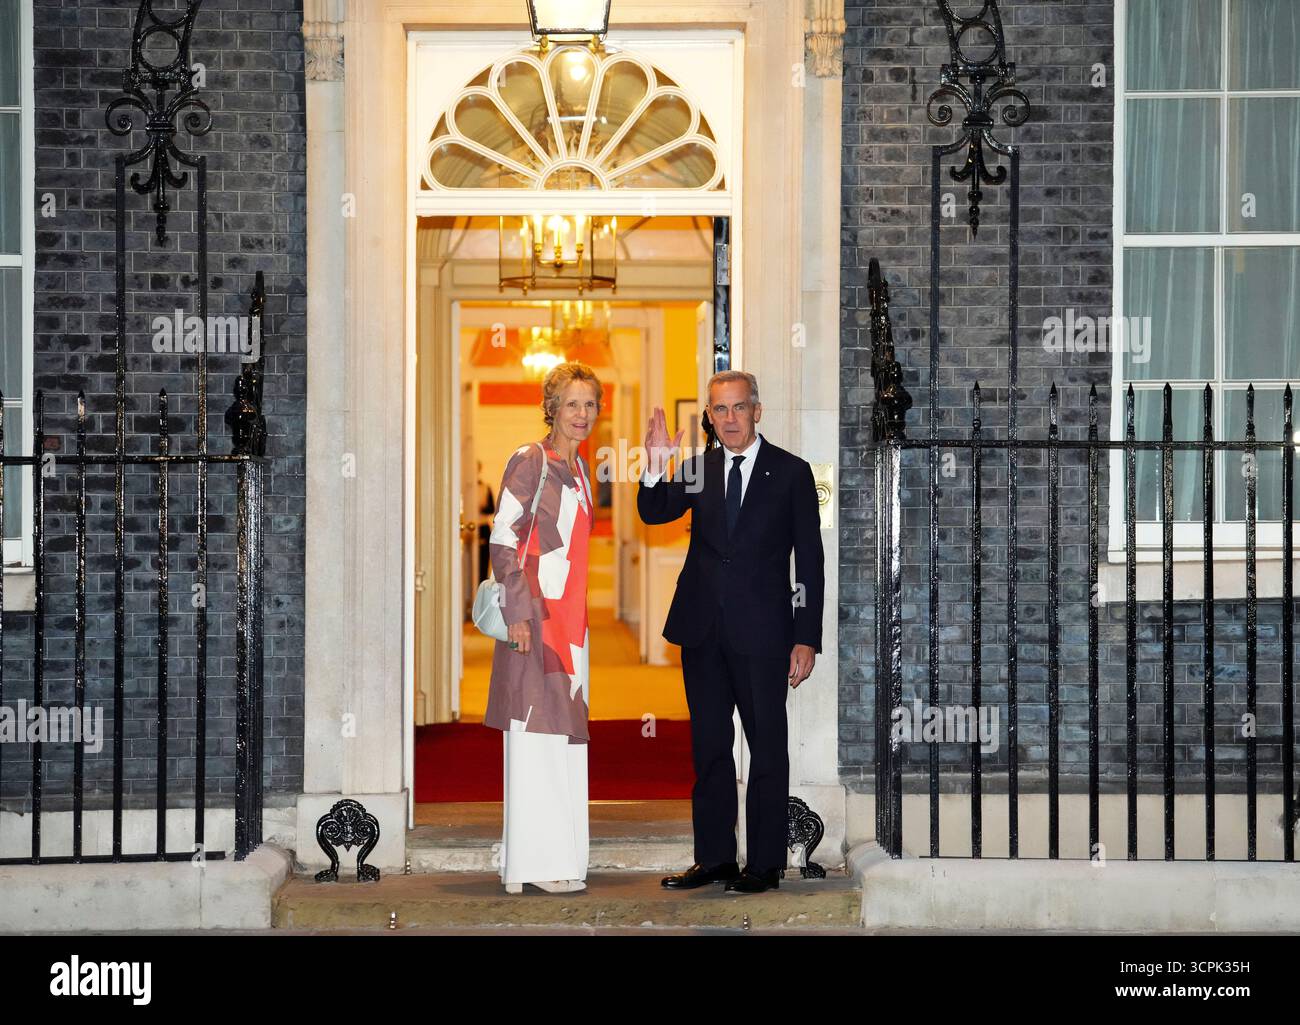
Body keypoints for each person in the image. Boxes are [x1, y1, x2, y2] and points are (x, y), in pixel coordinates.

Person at [637, 370, 824, 893]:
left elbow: (809, 560)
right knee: (710, 747)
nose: (729, 419)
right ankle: (715, 858)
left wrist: (805, 635)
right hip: (702, 632)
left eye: (739, 408)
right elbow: (654, 511)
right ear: (710, 417)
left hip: (765, 635)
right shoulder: (699, 469)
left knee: (766, 748)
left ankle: (763, 864)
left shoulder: (791, 473)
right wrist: (654, 467)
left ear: (757, 411)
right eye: (719, 410)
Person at [485, 361, 600, 894]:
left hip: (571, 625)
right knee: (536, 740)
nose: (582, 414)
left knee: (563, 743)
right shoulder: (530, 459)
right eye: (572, 403)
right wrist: (518, 615)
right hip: (535, 620)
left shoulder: (580, 470)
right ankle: (534, 865)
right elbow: (504, 540)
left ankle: (559, 855)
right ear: (551, 407)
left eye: (590, 403)